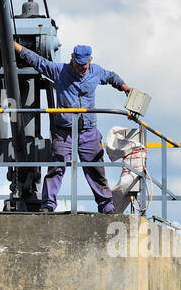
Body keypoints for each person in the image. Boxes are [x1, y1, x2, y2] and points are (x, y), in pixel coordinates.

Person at [13, 39, 131, 212]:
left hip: (88, 131)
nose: (82, 70)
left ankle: (106, 207)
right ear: (72, 60)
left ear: (90, 61)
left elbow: (111, 76)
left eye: (85, 66)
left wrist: (124, 87)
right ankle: (48, 206)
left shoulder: (95, 71)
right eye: (79, 65)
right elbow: (38, 61)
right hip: (64, 132)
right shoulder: (59, 71)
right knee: (56, 167)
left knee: (96, 169)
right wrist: (17, 47)